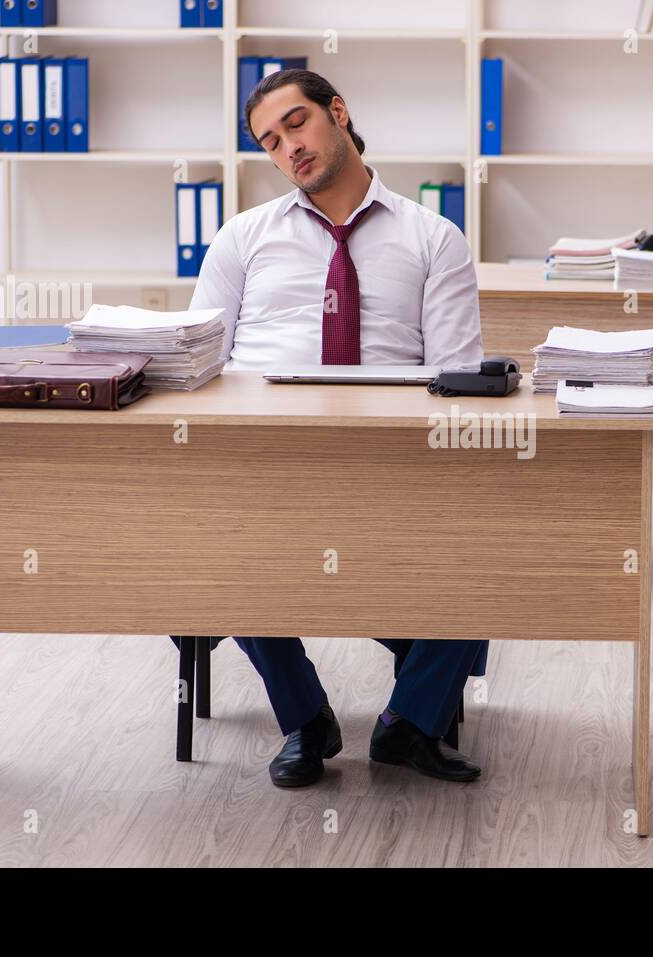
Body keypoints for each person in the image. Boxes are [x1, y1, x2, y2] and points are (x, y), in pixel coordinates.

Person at [171, 69, 487, 788]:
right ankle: (305, 718)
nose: (289, 147)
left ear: (337, 113)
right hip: (261, 462)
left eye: (297, 123)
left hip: (390, 464)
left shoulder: (433, 238)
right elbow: (193, 366)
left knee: (487, 536)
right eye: (270, 141)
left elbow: (459, 385)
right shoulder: (241, 240)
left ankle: (408, 723)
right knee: (212, 535)